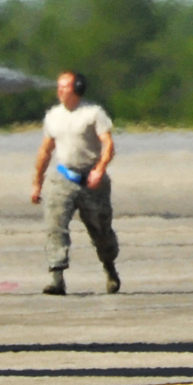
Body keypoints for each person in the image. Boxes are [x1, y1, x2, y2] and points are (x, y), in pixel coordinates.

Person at [30, 71, 120, 295]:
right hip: (62, 178)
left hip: (91, 180)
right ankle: (57, 277)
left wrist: (100, 170)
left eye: (65, 87)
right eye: (58, 86)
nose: (59, 90)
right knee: (55, 226)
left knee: (100, 229)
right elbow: (45, 150)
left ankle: (109, 268)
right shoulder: (53, 115)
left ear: (77, 88)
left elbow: (108, 145)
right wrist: (37, 182)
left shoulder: (93, 113)